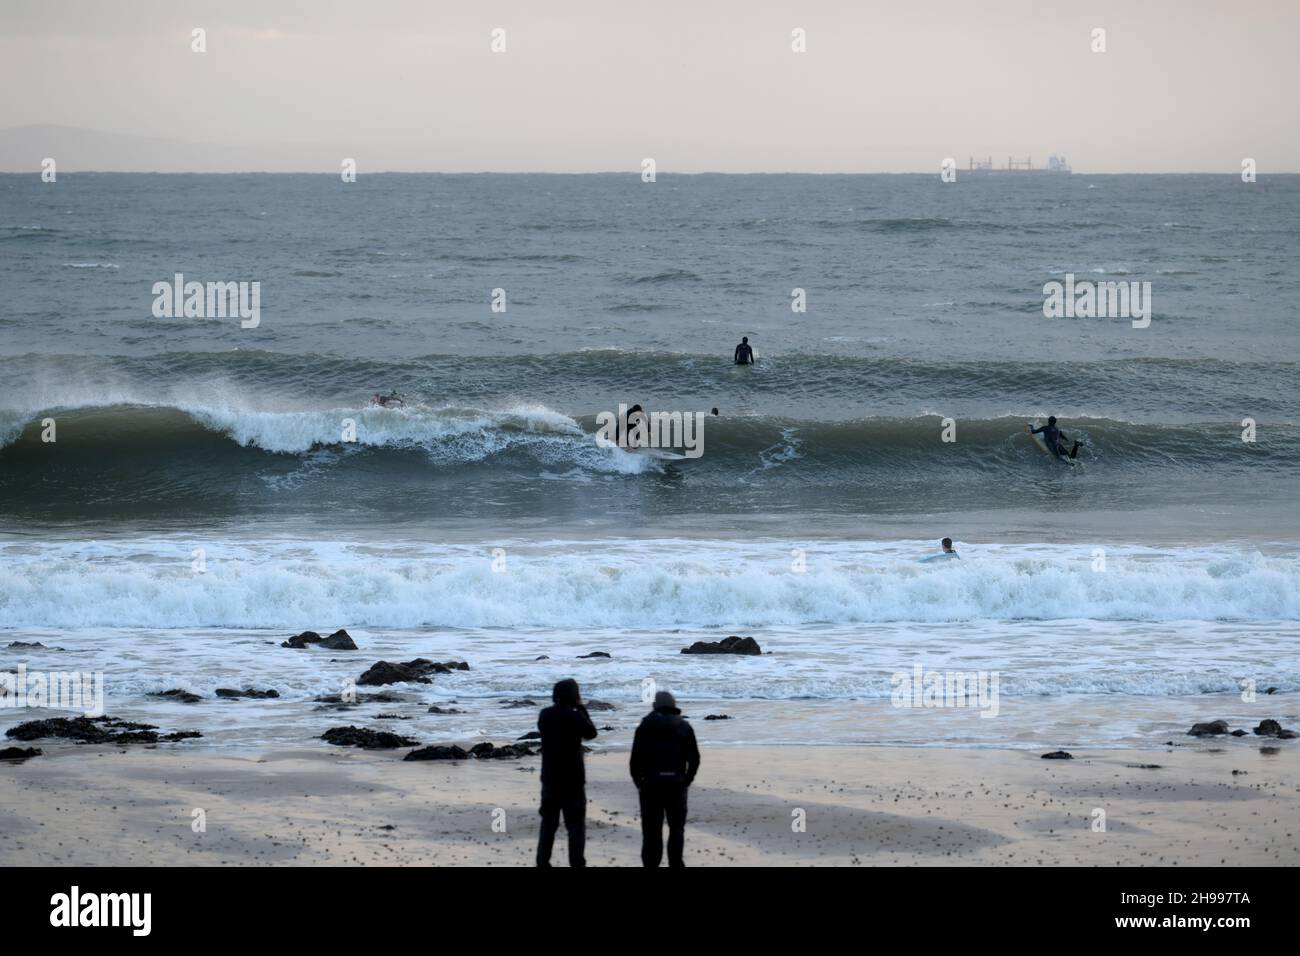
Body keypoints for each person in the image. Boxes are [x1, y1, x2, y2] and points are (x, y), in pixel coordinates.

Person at [630, 690, 700, 867]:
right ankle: (676, 863)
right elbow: (694, 759)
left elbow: (635, 761)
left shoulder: (645, 726)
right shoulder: (684, 726)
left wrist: (640, 783)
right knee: (676, 829)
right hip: (676, 785)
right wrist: (686, 781)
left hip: (651, 785)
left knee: (651, 831)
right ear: (674, 705)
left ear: (655, 705)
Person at [536, 678, 598, 867]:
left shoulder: (545, 715)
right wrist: (581, 708)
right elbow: (591, 733)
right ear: (574, 695)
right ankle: (576, 863)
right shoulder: (575, 716)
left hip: (550, 779)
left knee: (548, 825)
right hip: (573, 780)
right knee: (575, 827)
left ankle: (542, 862)